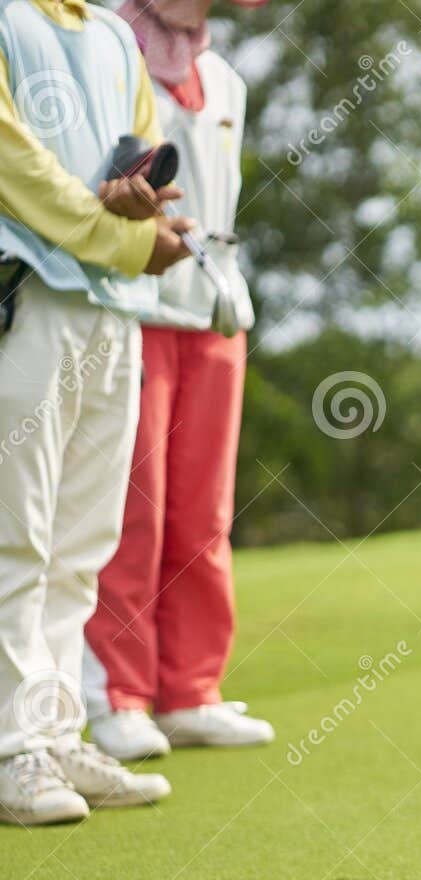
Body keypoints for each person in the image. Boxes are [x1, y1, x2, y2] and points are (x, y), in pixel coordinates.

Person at [0, 0, 194, 825]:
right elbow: (17, 169)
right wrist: (128, 242)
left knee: (80, 544)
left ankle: (53, 732)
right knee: (17, 535)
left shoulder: (116, 34)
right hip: (26, 296)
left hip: (112, 310)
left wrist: (151, 211)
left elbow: (142, 168)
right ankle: (12, 751)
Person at [84, 0, 273, 762]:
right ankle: (118, 697)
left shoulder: (225, 79)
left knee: (205, 511)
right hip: (135, 302)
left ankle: (192, 689)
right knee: (135, 510)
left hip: (217, 308)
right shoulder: (107, 55)